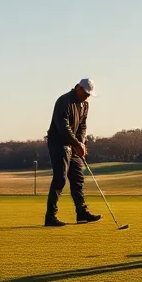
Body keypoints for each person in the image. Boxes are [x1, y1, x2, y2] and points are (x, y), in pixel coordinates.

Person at [44, 78, 102, 227]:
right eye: (86, 93)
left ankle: (81, 213)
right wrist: (76, 144)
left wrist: (81, 143)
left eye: (89, 94)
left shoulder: (85, 104)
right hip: (58, 143)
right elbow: (63, 126)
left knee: (78, 178)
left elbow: (82, 126)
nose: (87, 96)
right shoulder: (64, 101)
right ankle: (50, 217)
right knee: (60, 178)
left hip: (74, 145)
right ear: (79, 88)